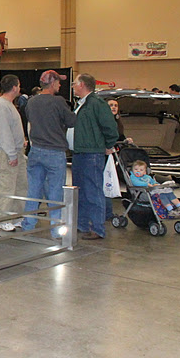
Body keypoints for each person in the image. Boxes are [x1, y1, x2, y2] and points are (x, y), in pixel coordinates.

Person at [21, 70, 77, 236]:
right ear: (52, 83)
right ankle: (56, 230)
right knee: (55, 192)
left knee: (33, 190)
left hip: (36, 150)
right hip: (54, 152)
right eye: (59, 82)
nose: (60, 85)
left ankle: (28, 225)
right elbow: (72, 121)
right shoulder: (58, 102)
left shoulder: (31, 102)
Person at [71, 73, 119, 240]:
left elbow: (110, 128)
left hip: (91, 153)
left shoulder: (97, 104)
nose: (72, 86)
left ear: (82, 85)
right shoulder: (82, 104)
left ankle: (97, 228)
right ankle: (82, 224)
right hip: (80, 152)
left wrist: (107, 145)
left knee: (93, 191)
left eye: (74, 83)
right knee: (81, 192)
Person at [0, 74, 28, 231]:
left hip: (16, 151)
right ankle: (3, 218)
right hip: (5, 153)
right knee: (6, 187)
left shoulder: (10, 105)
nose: (19, 88)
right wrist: (11, 154)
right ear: (14, 87)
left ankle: (17, 216)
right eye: (18, 85)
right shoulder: (1, 106)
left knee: (20, 186)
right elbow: (4, 133)